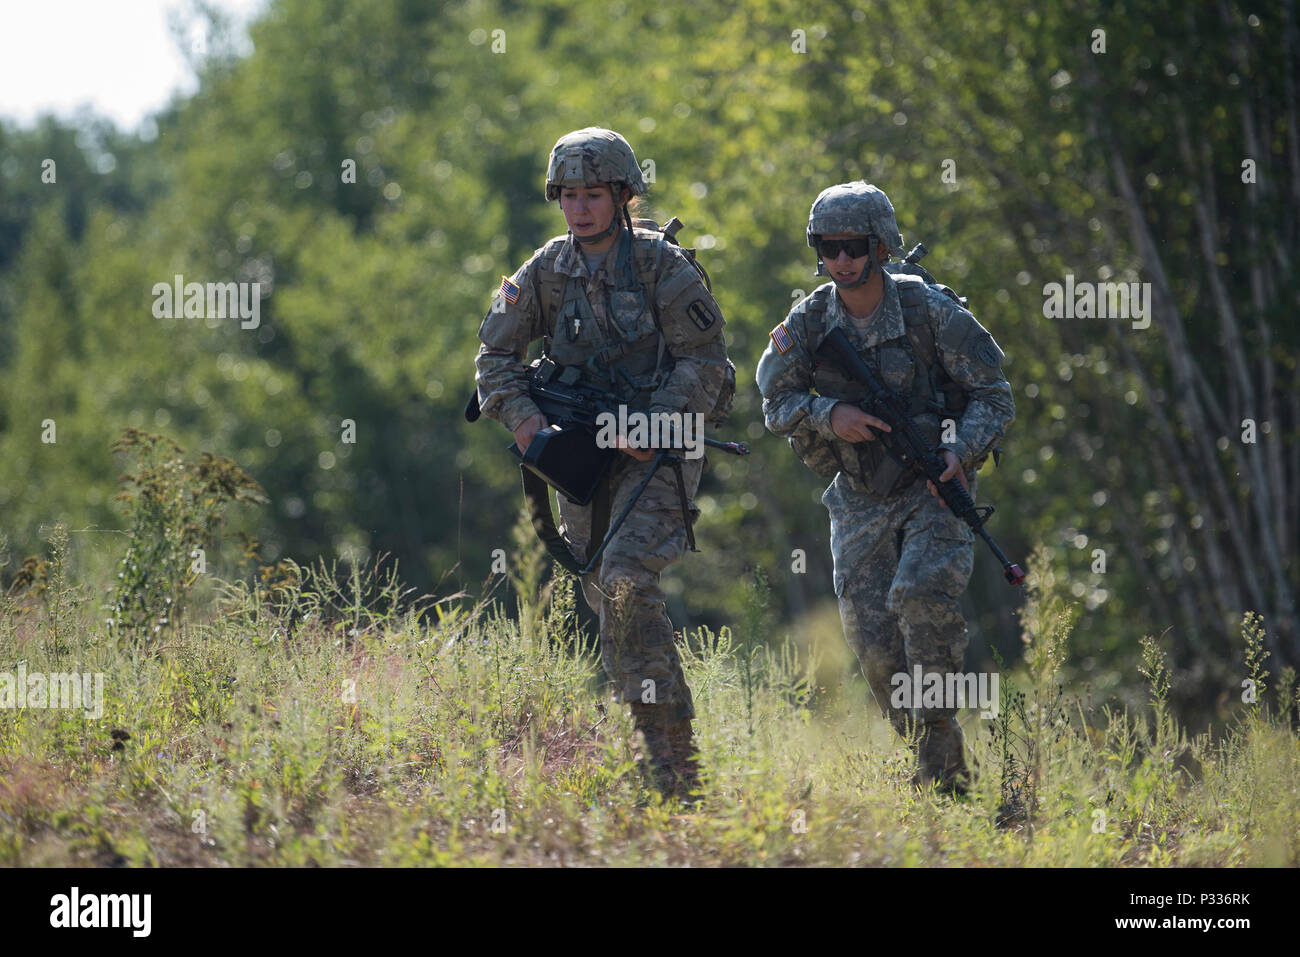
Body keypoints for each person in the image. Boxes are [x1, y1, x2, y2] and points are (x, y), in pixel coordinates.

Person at [474, 127, 733, 801]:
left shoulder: (661, 267)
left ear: (622, 196)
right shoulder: (545, 270)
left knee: (623, 581)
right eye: (569, 195)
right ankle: (652, 746)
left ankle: (676, 765)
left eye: (594, 194)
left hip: (658, 449)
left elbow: (709, 366)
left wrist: (657, 420)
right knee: (602, 595)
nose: (580, 208)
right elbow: (493, 359)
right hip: (581, 448)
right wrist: (528, 422)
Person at [755, 181, 1015, 793]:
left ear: (880, 246)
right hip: (859, 494)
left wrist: (958, 451)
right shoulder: (810, 318)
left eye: (851, 246)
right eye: (827, 247)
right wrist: (829, 415)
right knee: (872, 642)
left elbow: (994, 396)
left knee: (922, 595)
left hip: (934, 486)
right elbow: (774, 401)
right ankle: (924, 756)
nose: (839, 260)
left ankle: (945, 763)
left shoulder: (929, 311)